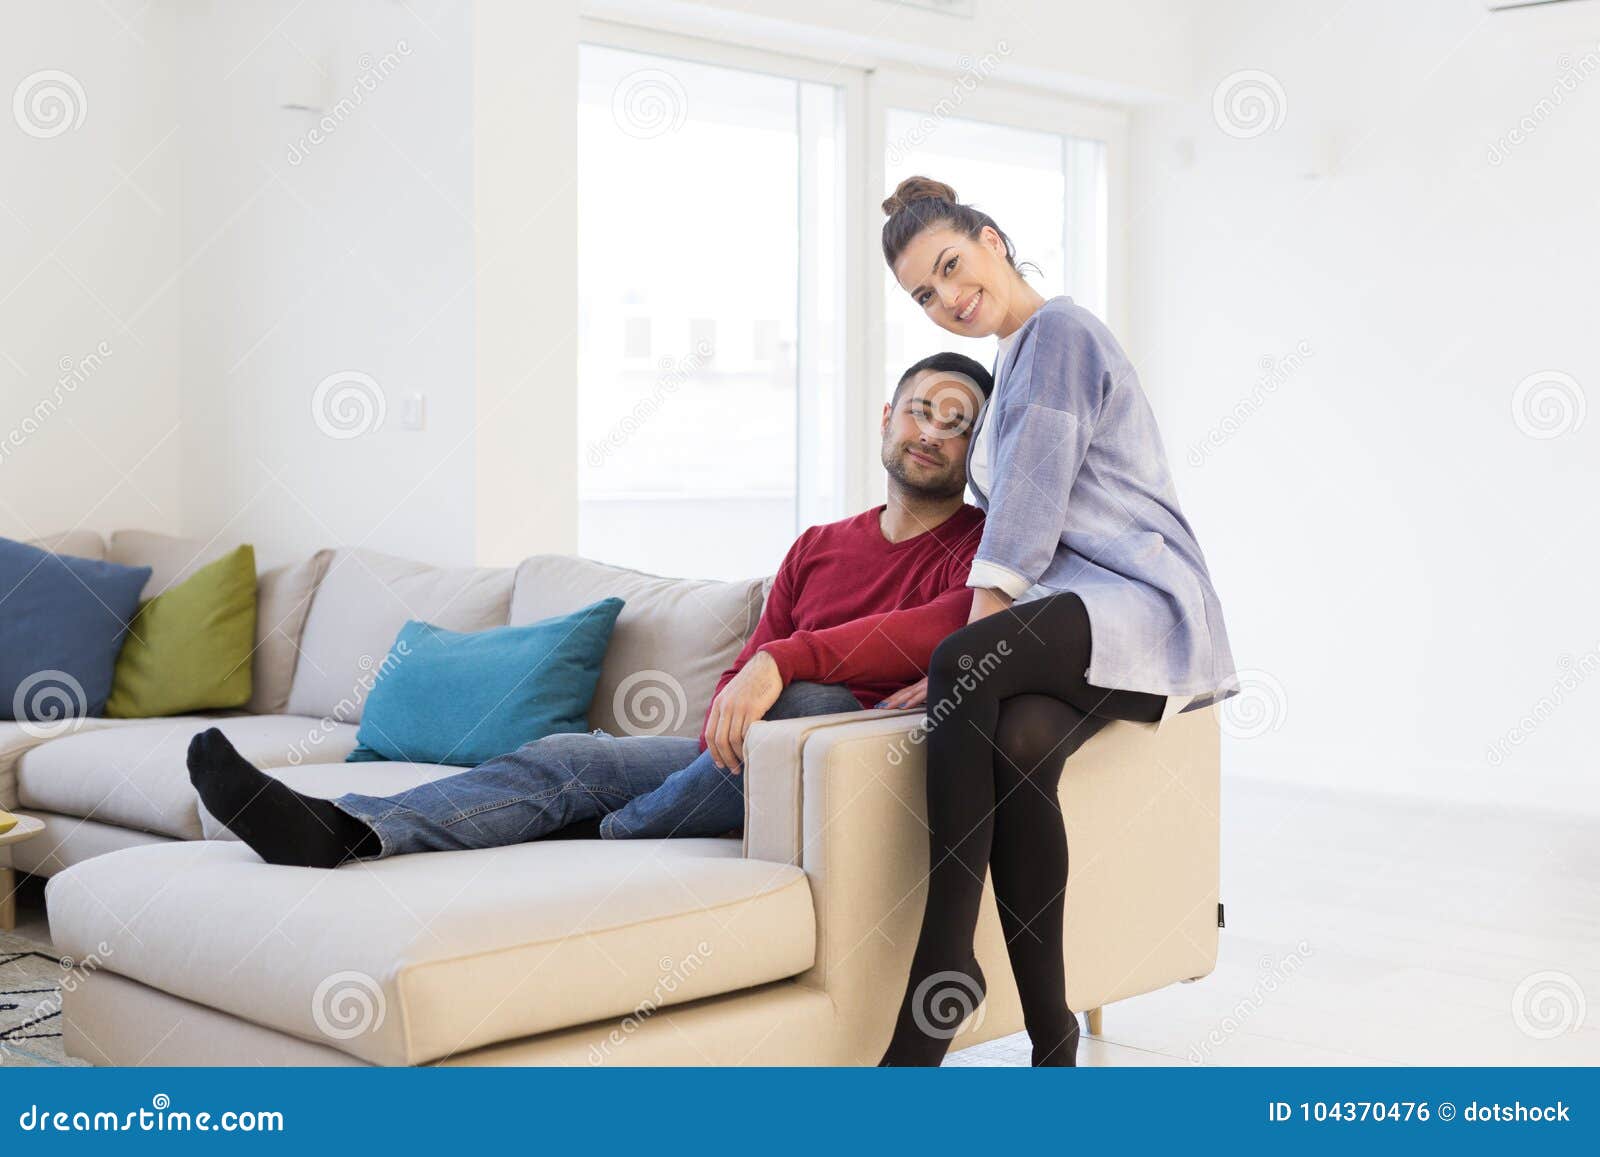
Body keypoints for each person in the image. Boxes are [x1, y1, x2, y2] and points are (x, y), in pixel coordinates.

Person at [187, 353, 994, 869]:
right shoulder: (820, 543)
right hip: (728, 762)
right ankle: (347, 830)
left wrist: (781, 667)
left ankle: (616, 829)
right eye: (920, 409)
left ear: (975, 453)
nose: (931, 433)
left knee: (807, 704)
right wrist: (738, 696)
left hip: (824, 770)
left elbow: (924, 633)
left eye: (956, 426)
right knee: (569, 756)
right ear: (886, 419)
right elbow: (746, 664)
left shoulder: (985, 553)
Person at [873, 177, 1238, 1067]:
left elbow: (1030, 502)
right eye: (925, 295)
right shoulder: (1013, 366)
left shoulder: (1060, 334)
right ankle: (1054, 1039)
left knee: (965, 665)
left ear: (994, 241)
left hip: (1143, 602)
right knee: (1023, 741)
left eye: (952, 267)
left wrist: (973, 652)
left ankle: (944, 964)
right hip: (1086, 613)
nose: (950, 299)